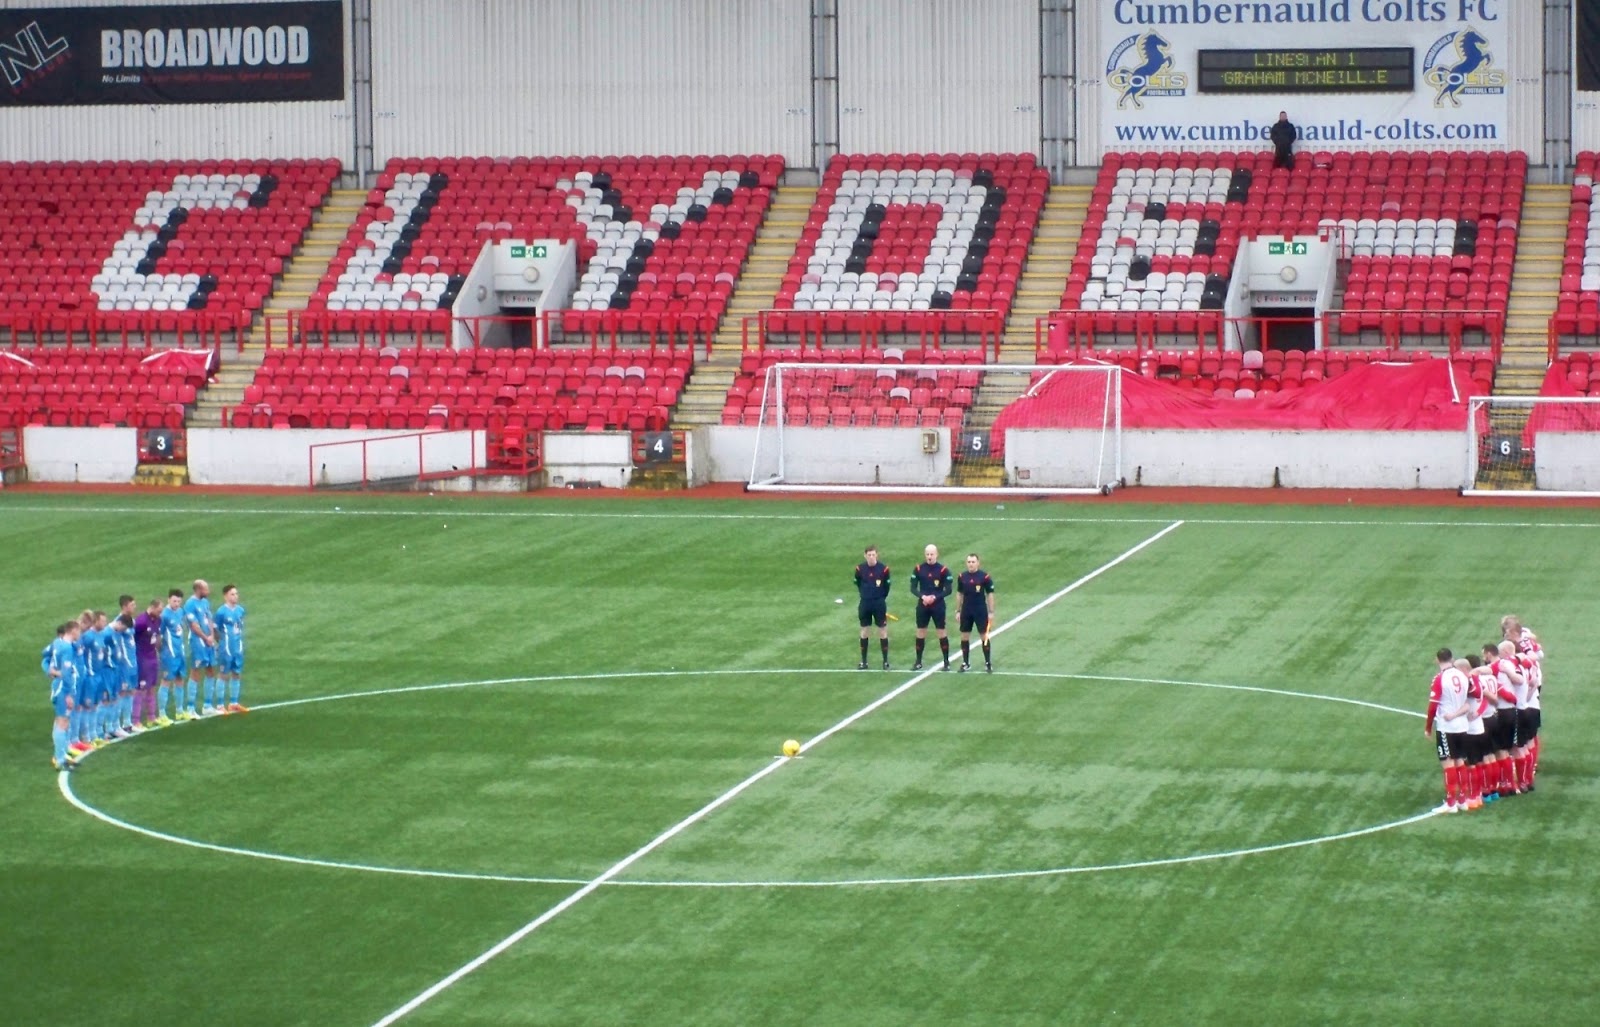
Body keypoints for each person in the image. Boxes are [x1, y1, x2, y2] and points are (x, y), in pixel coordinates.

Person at [1423, 647, 1471, 813]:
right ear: (1452, 658)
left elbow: (1433, 706)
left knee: (1448, 763)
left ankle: (1450, 803)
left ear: (1438, 660)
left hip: (1447, 726)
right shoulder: (1463, 676)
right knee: (1460, 761)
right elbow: (1471, 696)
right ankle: (1463, 800)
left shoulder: (1439, 679)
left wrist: (1428, 727)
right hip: (1463, 725)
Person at [909, 543, 953, 672]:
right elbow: (912, 587)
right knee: (920, 631)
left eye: (932, 554)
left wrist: (935, 597)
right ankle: (918, 661)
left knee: (941, 631)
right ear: (925, 554)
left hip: (938, 605)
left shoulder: (943, 570)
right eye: (927, 554)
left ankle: (946, 662)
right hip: (923, 605)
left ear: (936, 554)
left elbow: (948, 589)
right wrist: (923, 597)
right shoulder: (918, 569)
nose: (929, 557)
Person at [45, 621, 80, 771]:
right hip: (62, 690)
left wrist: (51, 671)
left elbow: (48, 661)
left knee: (60, 721)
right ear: (72, 631)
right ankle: (60, 759)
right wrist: (69, 695)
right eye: (78, 631)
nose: (79, 634)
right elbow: (66, 674)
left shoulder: (57, 642)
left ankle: (62, 755)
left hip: (57, 687)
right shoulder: (67, 648)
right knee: (62, 722)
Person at [955, 553, 996, 673]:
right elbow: (959, 594)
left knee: (984, 636)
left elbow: (990, 594)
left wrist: (991, 611)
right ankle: (966, 663)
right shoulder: (962, 577)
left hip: (980, 610)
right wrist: (958, 610)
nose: (971, 564)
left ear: (978, 563)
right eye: (969, 562)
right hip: (966, 610)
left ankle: (988, 662)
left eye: (973, 562)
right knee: (964, 636)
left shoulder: (984, 577)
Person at [853, 546, 892, 670]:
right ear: (865, 555)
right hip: (865, 603)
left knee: (882, 630)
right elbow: (858, 583)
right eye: (869, 555)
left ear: (877, 555)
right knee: (865, 631)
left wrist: (880, 597)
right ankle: (864, 661)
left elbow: (887, 587)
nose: (871, 557)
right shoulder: (860, 569)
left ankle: (885, 661)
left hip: (879, 603)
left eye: (873, 554)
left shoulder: (884, 569)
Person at [184, 579, 218, 716]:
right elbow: (193, 625)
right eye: (205, 589)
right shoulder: (190, 604)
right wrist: (205, 638)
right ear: (198, 589)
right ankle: (190, 708)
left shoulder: (205, 602)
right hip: (197, 641)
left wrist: (212, 636)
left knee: (210, 670)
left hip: (208, 640)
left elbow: (209, 619)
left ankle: (207, 706)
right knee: (196, 671)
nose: (208, 591)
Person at [214, 584, 249, 713]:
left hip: (237, 647)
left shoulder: (240, 610)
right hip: (226, 648)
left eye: (236, 594)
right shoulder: (221, 612)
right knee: (223, 674)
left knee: (236, 673)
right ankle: (220, 705)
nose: (235, 596)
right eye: (232, 594)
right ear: (225, 596)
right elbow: (215, 629)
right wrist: (220, 643)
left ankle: (233, 703)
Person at [159, 589, 189, 723]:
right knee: (166, 681)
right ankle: (162, 713)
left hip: (180, 651)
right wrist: (162, 652)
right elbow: (159, 636)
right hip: (169, 654)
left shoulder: (181, 611)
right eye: (174, 601)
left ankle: (179, 711)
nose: (176, 604)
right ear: (168, 600)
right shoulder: (163, 615)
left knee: (180, 679)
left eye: (178, 601)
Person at [133, 597, 162, 729]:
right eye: (159, 610)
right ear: (153, 607)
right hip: (142, 658)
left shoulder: (157, 620)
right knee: (141, 689)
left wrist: (158, 650)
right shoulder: (141, 622)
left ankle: (151, 717)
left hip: (152, 657)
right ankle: (136, 720)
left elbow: (156, 637)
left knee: (152, 687)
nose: (160, 613)